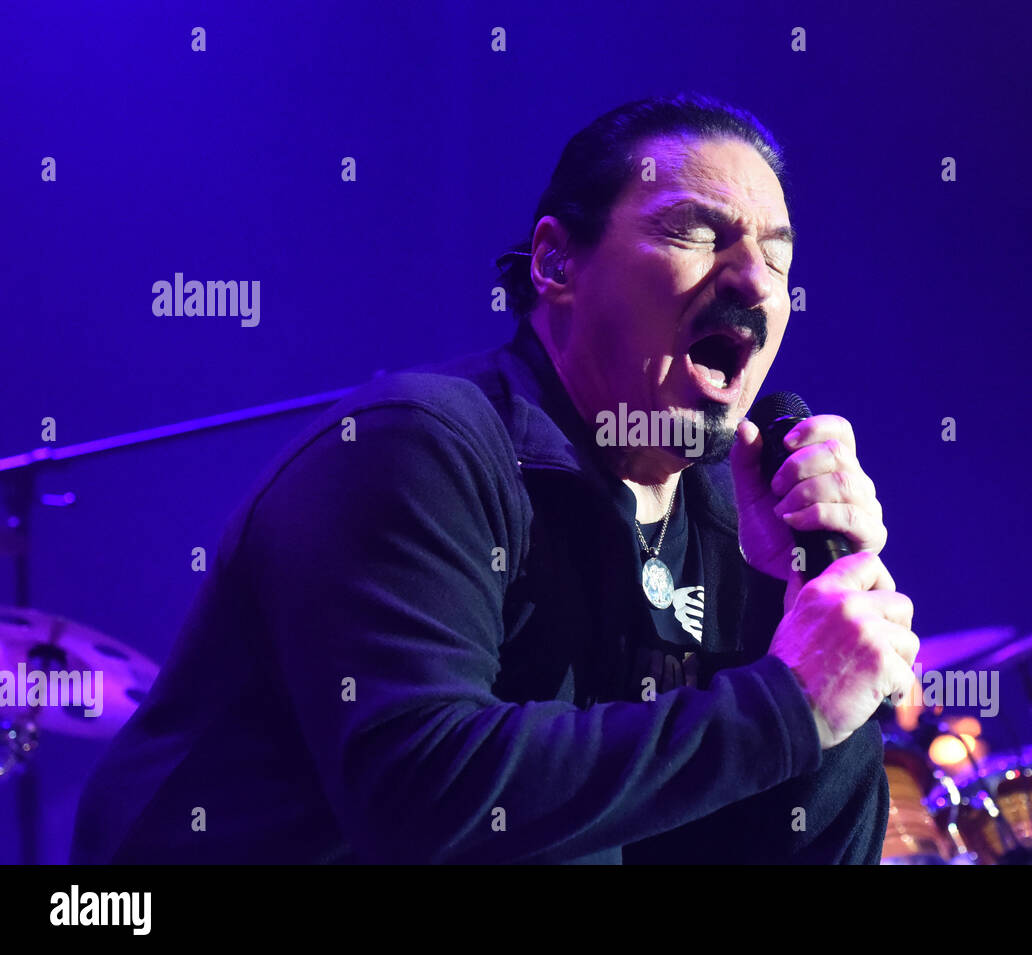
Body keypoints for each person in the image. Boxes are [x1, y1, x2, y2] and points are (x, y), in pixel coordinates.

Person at [71, 92, 919, 864]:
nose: (752, 283)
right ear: (555, 263)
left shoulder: (734, 508)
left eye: (777, 258)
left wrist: (803, 605)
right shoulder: (417, 445)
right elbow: (419, 797)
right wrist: (787, 703)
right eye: (696, 231)